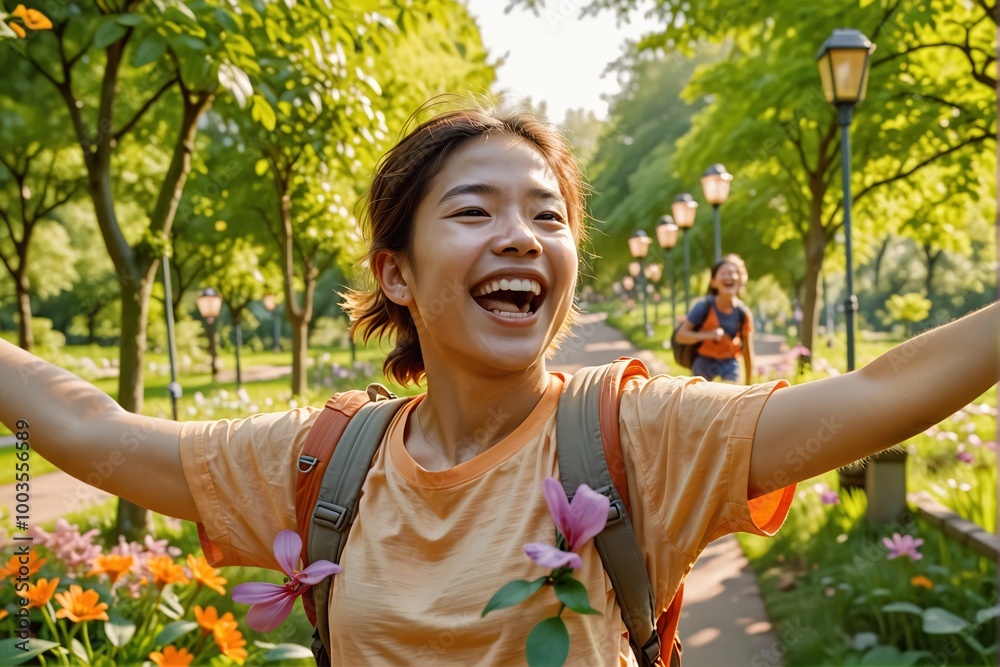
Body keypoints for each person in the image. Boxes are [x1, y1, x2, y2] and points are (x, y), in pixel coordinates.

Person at [1, 103, 997, 666]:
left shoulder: (638, 436)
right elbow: (93, 430)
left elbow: (876, 391)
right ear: (396, 272)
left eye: (547, 217)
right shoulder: (323, 461)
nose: (521, 235)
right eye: (474, 210)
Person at [675, 255, 754, 384]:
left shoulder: (743, 313)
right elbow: (681, 336)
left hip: (730, 362)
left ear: (740, 280)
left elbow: (748, 352)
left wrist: (750, 386)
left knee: (731, 399)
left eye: (733, 273)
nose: (729, 276)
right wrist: (709, 335)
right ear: (713, 281)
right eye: (723, 273)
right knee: (698, 399)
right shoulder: (703, 307)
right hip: (704, 360)